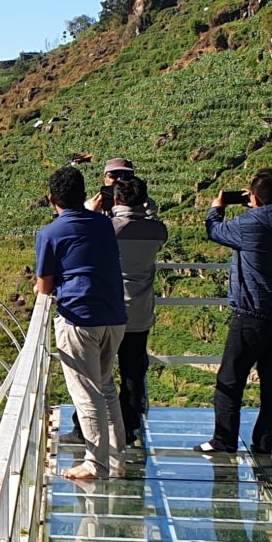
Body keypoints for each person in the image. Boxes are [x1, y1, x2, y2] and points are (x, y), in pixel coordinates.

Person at [198, 167, 272, 455]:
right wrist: (258, 205)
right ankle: (263, 443)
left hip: (251, 313)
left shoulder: (249, 224)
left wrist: (216, 208)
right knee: (271, 382)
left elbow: (214, 231)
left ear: (254, 197)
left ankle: (224, 440)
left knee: (230, 379)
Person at [35, 166, 128, 481]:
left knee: (86, 393)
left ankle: (95, 464)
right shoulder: (104, 224)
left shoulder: (49, 234)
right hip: (114, 316)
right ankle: (117, 457)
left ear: (51, 199)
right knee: (106, 387)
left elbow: (44, 287)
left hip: (79, 318)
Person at [110, 176, 167, 449]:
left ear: (117, 199)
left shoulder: (108, 229)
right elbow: (155, 222)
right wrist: (148, 207)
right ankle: (130, 428)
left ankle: (100, 426)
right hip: (140, 313)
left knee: (101, 371)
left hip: (110, 312)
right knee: (132, 373)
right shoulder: (156, 231)